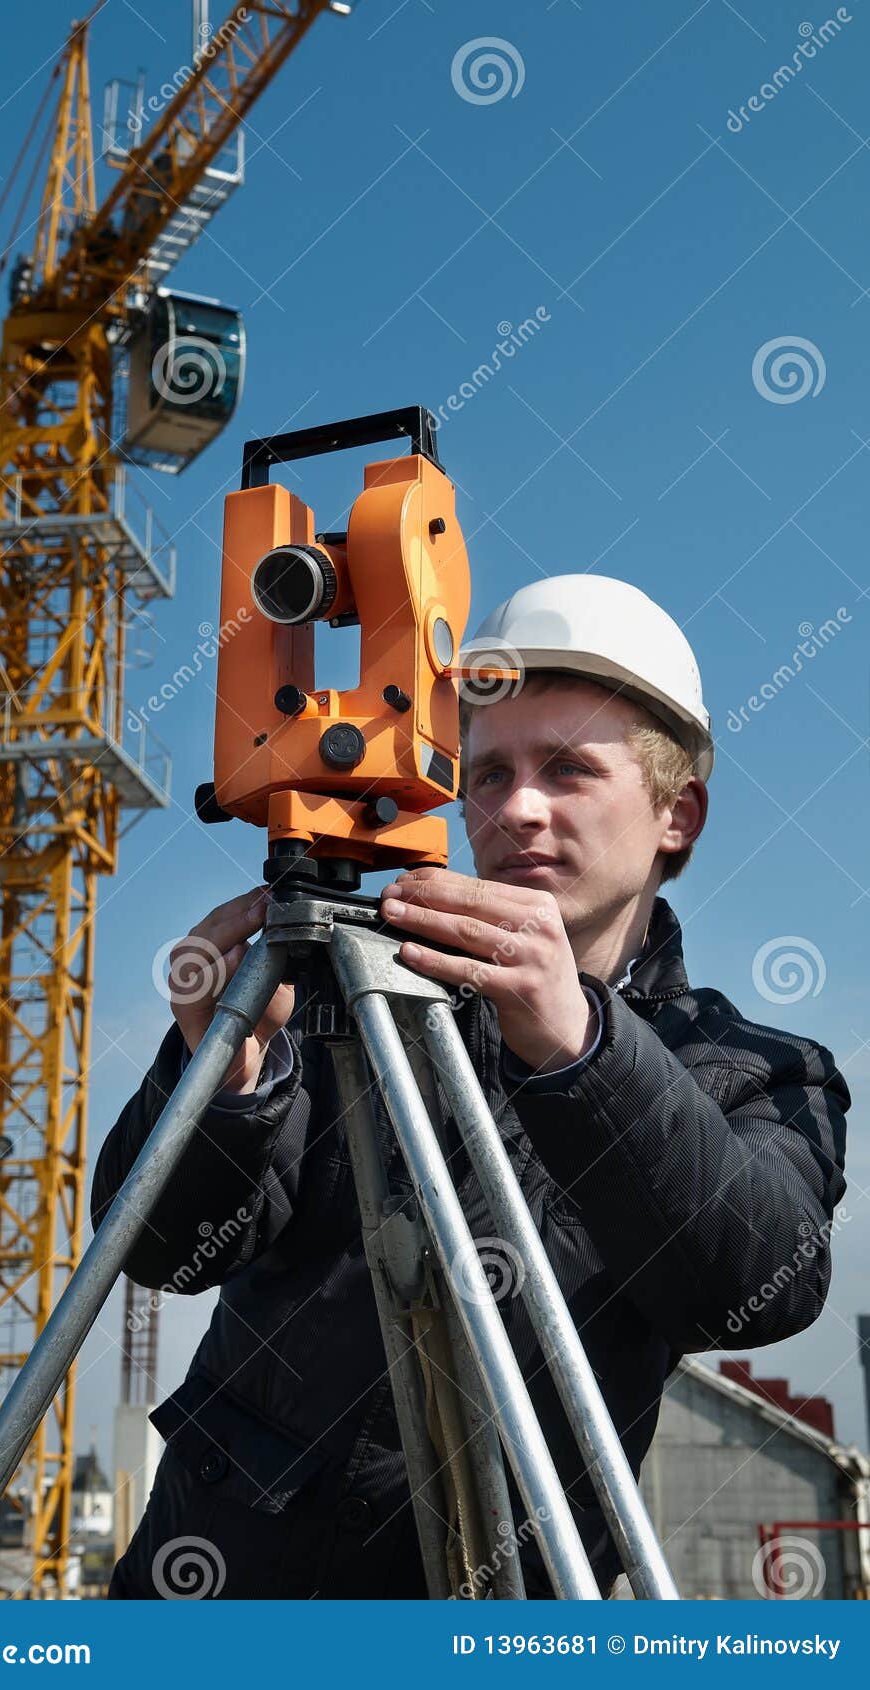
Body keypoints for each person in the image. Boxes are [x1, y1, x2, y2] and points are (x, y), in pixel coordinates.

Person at [91, 573, 850, 1600]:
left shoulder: (756, 1069)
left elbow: (752, 1285)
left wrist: (580, 1047)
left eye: (569, 768)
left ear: (677, 813)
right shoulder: (344, 997)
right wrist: (223, 1074)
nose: (517, 809)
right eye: (486, 773)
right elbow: (161, 1249)